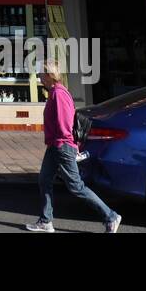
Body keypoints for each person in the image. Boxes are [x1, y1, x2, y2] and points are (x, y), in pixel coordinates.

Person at [26, 58, 121, 233]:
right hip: (55, 145)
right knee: (44, 180)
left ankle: (110, 216)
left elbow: (64, 124)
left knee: (76, 186)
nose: (38, 76)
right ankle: (46, 221)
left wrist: (70, 146)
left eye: (40, 73)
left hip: (61, 146)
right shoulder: (55, 92)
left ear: (48, 74)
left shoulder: (59, 94)